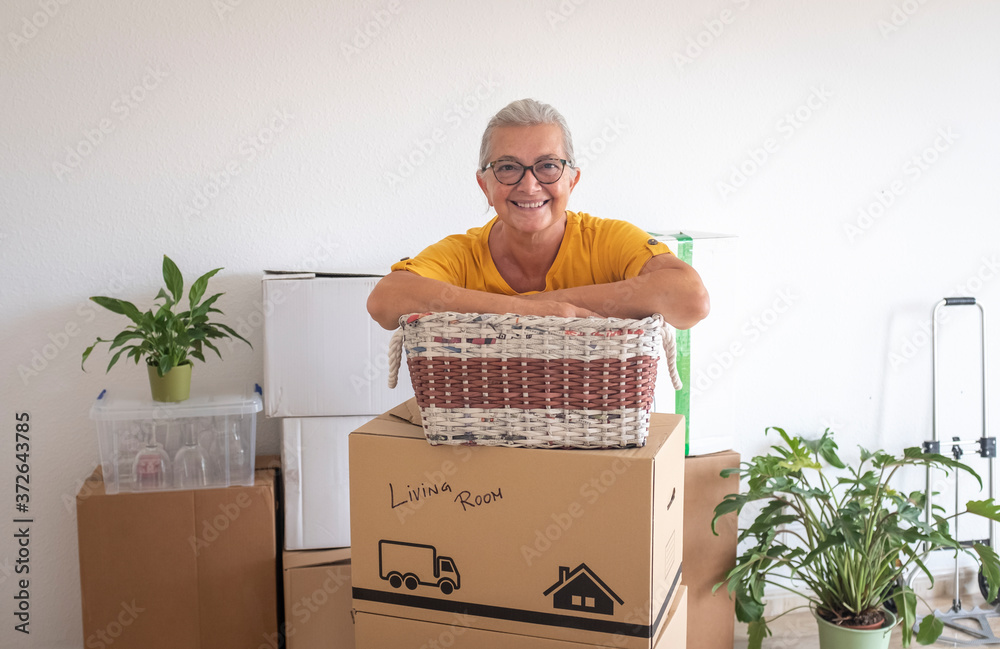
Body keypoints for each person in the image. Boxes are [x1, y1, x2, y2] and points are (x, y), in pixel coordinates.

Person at [367, 99, 709, 331]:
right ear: (484, 184)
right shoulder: (463, 254)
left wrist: (544, 304)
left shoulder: (608, 240)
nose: (529, 186)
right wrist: (537, 312)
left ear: (572, 179)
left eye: (547, 166)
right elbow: (385, 300)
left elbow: (689, 299)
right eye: (507, 167)